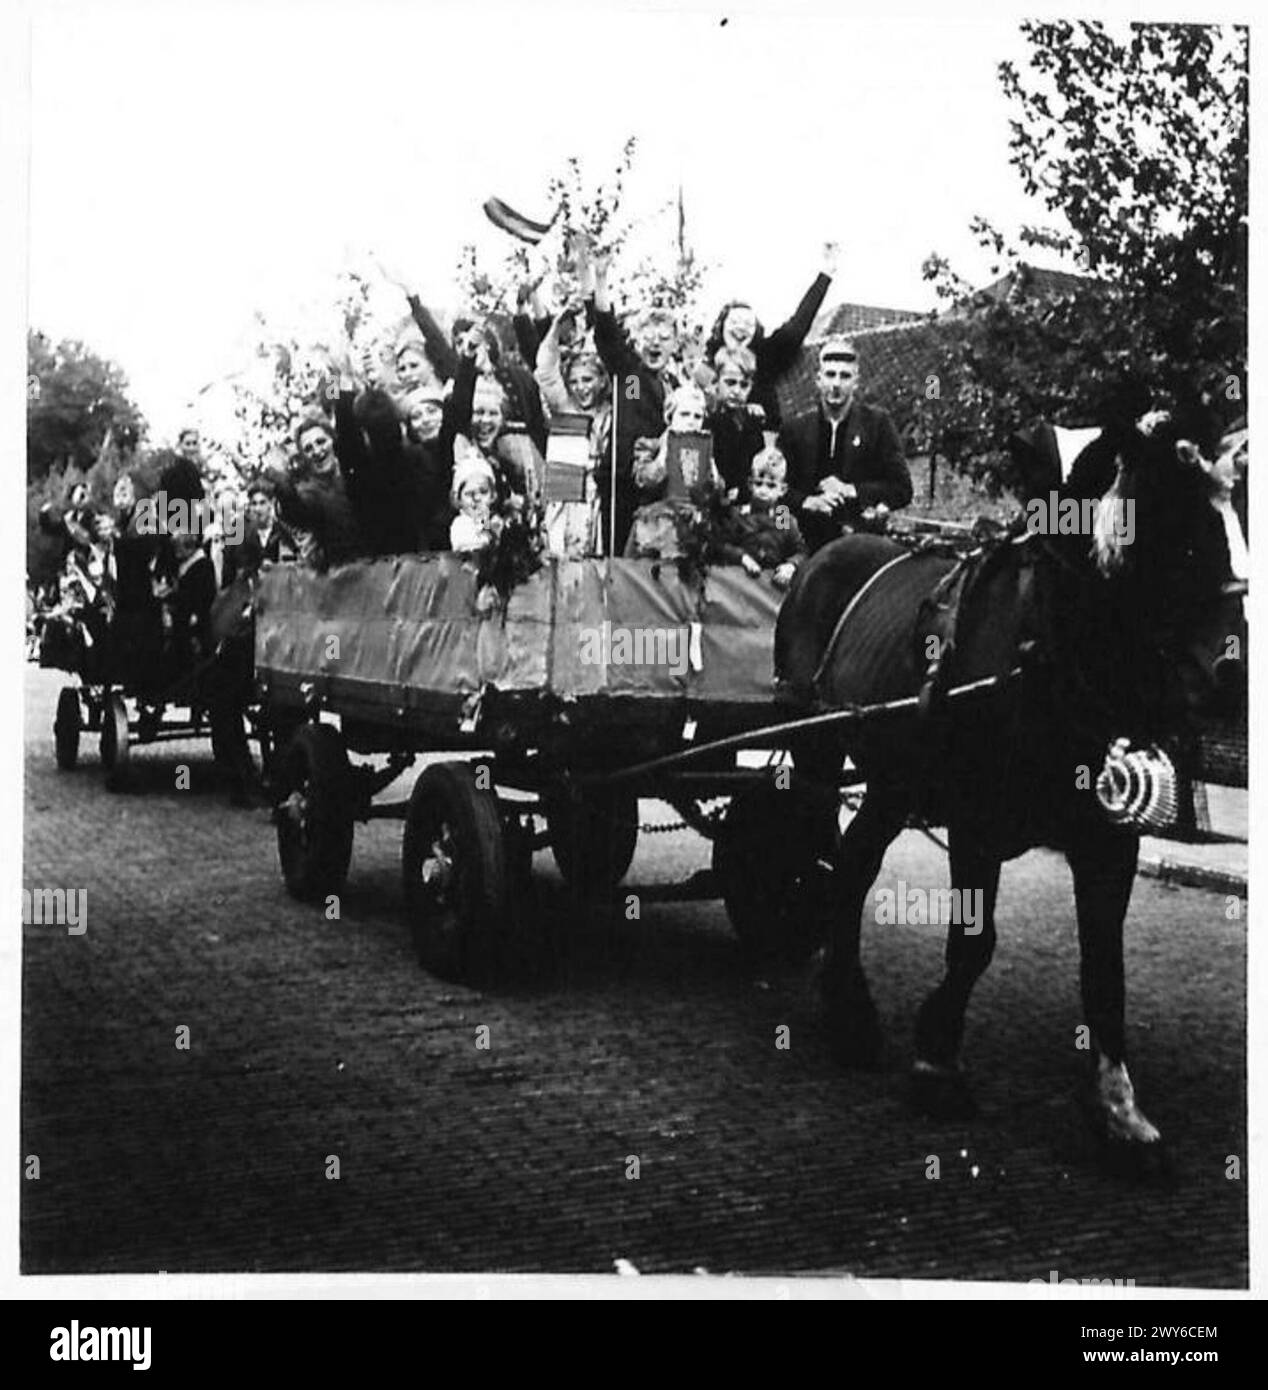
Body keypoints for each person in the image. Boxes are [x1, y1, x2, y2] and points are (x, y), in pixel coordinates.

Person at [777, 334, 912, 552]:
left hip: (858, 546)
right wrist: (806, 502)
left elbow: (902, 489)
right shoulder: (795, 429)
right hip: (805, 546)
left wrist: (852, 490)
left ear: (856, 382)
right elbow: (775, 492)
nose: (836, 384)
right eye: (830, 375)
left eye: (845, 376)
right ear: (818, 380)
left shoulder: (877, 424)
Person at [589, 239, 677, 553]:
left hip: (663, 487)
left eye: (664, 338)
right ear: (637, 341)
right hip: (624, 483)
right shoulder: (631, 378)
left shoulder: (679, 386)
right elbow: (607, 335)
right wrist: (600, 278)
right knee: (621, 558)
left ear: (675, 344)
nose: (656, 345)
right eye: (648, 338)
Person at [704, 242, 839, 428]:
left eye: (748, 324)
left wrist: (825, 275)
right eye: (734, 322)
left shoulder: (766, 358)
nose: (741, 328)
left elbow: (798, 325)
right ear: (721, 326)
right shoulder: (705, 364)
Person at [711, 446, 806, 587]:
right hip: (741, 582)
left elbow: (800, 551)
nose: (763, 490)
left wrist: (791, 566)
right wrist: (742, 557)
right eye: (759, 483)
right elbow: (721, 545)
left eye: (771, 486)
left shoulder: (782, 516)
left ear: (782, 489)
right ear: (750, 484)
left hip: (771, 588)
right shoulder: (740, 514)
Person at [707, 346, 767, 496]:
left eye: (744, 385)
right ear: (716, 382)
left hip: (748, 498)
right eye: (730, 383)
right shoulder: (707, 420)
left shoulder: (752, 420)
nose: (737, 391)